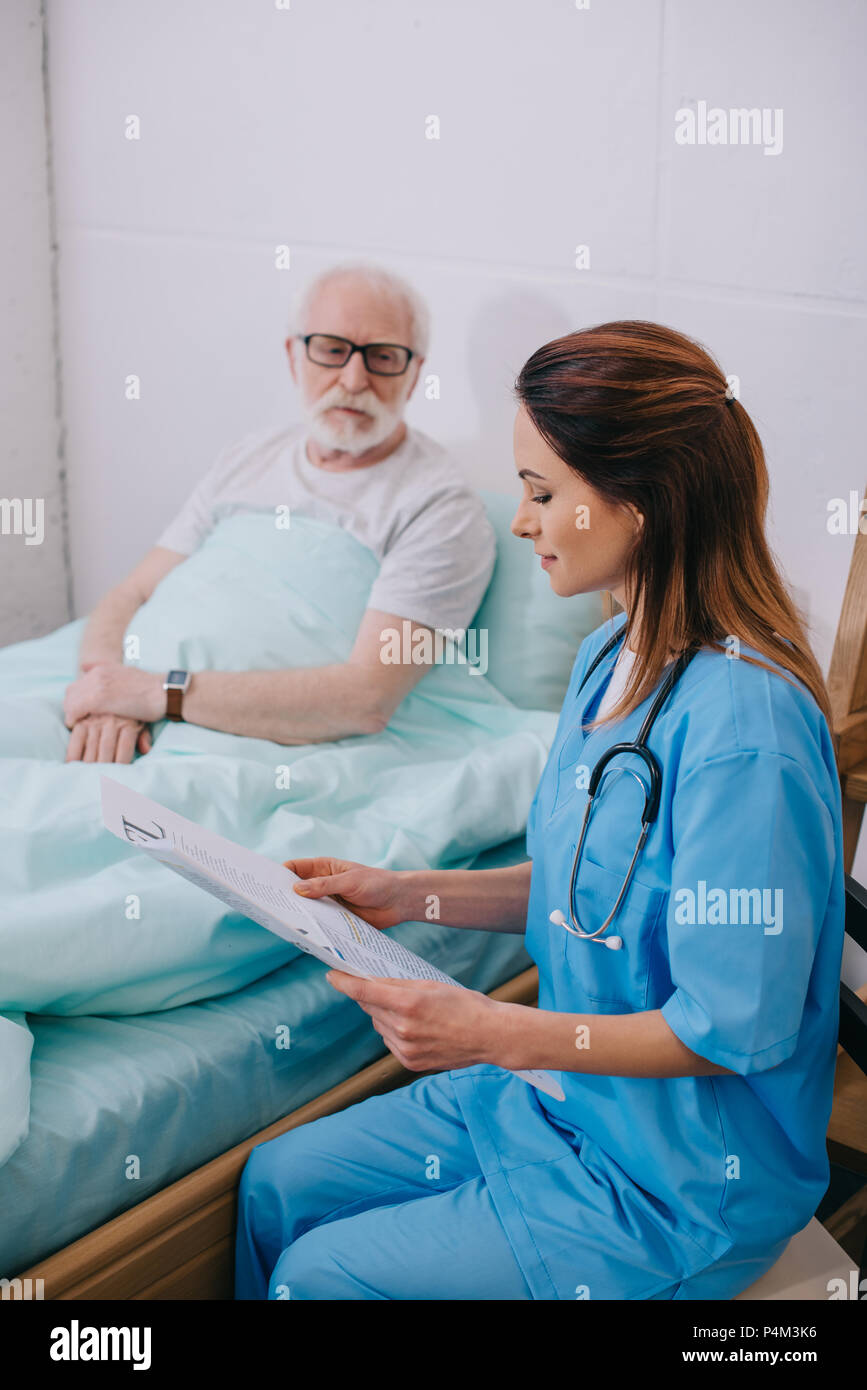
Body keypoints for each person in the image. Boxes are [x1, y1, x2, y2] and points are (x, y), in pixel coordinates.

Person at [233, 319, 845, 1301]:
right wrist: (406, 893)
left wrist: (489, 1031)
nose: (522, 521)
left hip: (675, 1181)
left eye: (543, 491)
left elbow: (731, 1027)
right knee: (277, 1187)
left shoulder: (745, 736)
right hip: (566, 1103)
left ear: (640, 503)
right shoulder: (610, 653)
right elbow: (586, 888)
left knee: (319, 1276)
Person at [62, 262, 495, 759]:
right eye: (332, 350)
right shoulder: (248, 457)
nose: (354, 379)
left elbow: (365, 698)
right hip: (122, 707)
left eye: (382, 356)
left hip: (254, 742)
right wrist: (102, 692)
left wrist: (154, 693)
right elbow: (132, 591)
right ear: (295, 357)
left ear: (415, 373)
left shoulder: (440, 507)